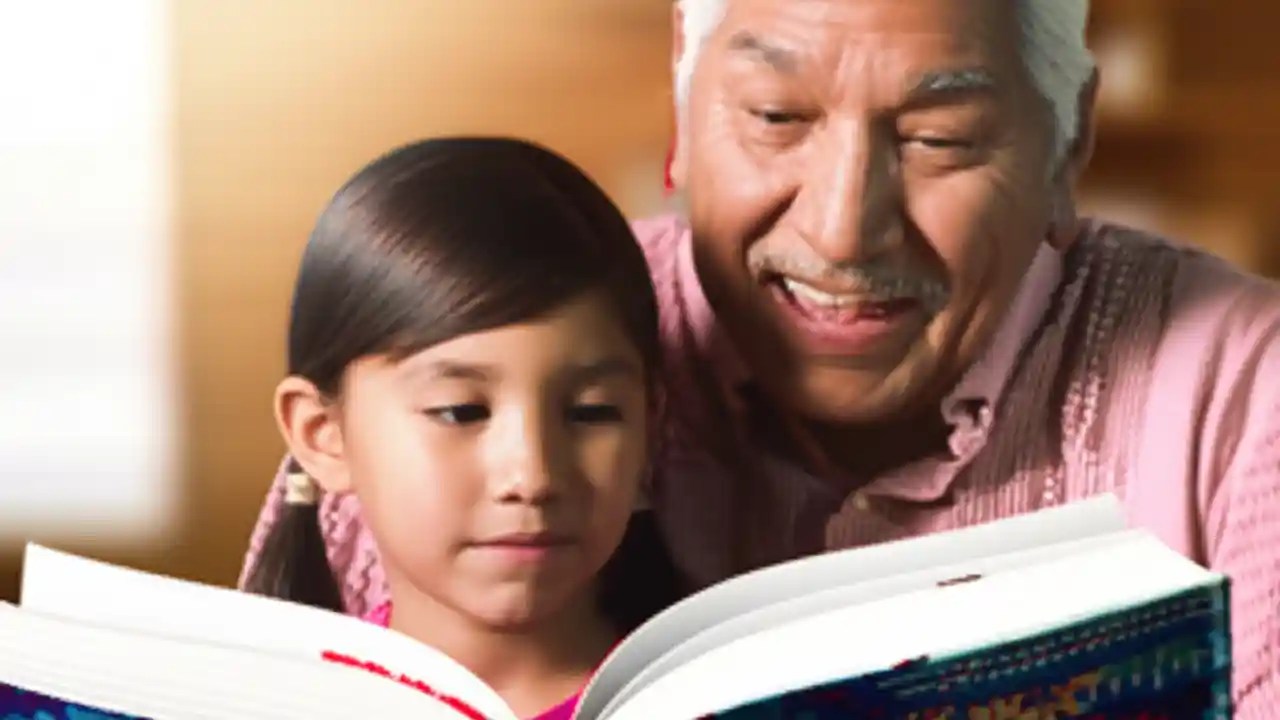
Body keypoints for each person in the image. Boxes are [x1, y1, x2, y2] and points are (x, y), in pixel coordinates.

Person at [242, 0, 1280, 712]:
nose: (839, 232)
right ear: (681, 123)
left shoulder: (1242, 392)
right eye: (775, 118)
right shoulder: (493, 334)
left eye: (938, 137)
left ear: (1067, 147)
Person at [242, 137, 681, 719]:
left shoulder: (717, 702)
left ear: (650, 425)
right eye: (460, 411)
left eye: (591, 412)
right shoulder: (266, 707)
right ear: (323, 433)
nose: (532, 476)